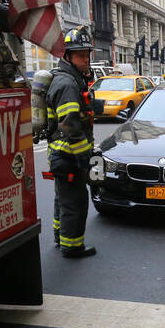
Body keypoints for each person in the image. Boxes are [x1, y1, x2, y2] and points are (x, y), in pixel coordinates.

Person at [46, 25, 97, 258]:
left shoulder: (69, 79)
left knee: (62, 200)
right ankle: (72, 246)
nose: (86, 60)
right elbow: (69, 126)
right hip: (69, 156)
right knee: (75, 202)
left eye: (87, 54)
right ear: (67, 56)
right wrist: (84, 158)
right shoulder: (67, 84)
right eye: (80, 55)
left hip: (60, 155)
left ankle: (60, 237)